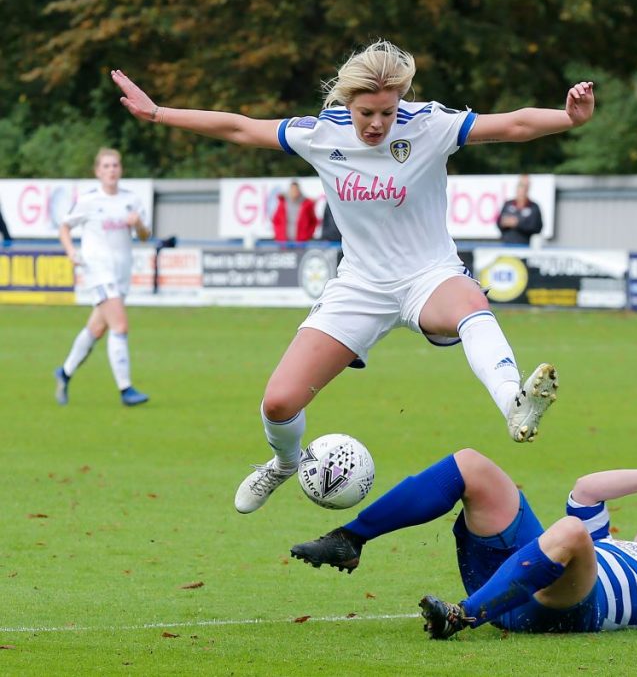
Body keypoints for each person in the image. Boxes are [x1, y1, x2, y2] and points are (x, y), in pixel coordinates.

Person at [111, 40, 595, 513]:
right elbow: (240, 128)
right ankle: (283, 463)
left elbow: (512, 124)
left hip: (429, 276)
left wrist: (569, 118)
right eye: (368, 113)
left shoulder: (430, 124)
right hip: (359, 287)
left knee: (471, 302)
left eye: (387, 111)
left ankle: (514, 402)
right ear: (349, 103)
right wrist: (160, 114)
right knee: (279, 403)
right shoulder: (320, 133)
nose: (378, 123)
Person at [289, 448, 637, 640]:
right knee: (472, 466)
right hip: (513, 579)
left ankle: (461, 617)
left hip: (563, 609)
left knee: (568, 533)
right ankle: (350, 539)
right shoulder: (608, 542)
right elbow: (588, 487)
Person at [53, 147, 151, 407]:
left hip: (121, 273)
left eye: (115, 165)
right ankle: (126, 389)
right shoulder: (89, 201)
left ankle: (64, 372)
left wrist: (138, 224)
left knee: (97, 328)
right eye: (106, 166)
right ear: (97, 171)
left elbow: (145, 236)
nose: (111, 170)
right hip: (98, 271)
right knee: (120, 326)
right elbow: (65, 226)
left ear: (121, 169)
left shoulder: (131, 200)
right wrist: (71, 251)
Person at [496, 174, 543, 245]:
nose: (522, 190)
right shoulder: (508, 204)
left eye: (525, 186)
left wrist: (518, 224)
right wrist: (504, 223)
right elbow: (499, 222)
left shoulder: (533, 207)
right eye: (521, 185)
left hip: (525, 247)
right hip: (506, 246)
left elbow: (537, 227)